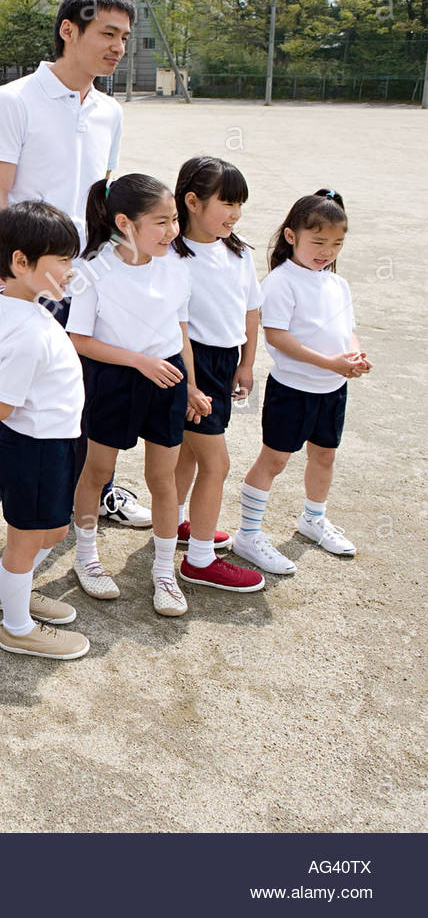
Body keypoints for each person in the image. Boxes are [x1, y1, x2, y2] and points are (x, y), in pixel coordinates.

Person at [0, 0, 150, 584]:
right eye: (107, 34)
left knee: (83, 397)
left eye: (123, 37)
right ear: (70, 30)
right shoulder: (14, 101)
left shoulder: (109, 110)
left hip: (89, 282)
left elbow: (101, 203)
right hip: (29, 283)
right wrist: (5, 289)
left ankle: (92, 493)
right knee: (1, 402)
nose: (117, 47)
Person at [67, 173, 211, 617]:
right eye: (161, 222)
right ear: (125, 223)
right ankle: (86, 557)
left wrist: (190, 384)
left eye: (174, 220)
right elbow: (79, 340)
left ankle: (165, 571)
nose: (173, 231)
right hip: (112, 382)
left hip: (167, 381)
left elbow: (181, 331)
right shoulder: (92, 270)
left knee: (162, 480)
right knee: (97, 471)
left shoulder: (176, 266)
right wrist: (137, 361)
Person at [231, 190, 370, 573]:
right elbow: (277, 337)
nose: (327, 251)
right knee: (274, 459)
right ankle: (248, 533)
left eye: (337, 244)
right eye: (319, 241)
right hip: (293, 389)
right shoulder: (280, 282)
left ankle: (313, 519)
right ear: (291, 236)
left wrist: (353, 356)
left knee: (324, 455)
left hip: (332, 388)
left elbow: (348, 330)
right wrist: (331, 362)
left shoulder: (336, 284)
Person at [0, 201, 91, 659]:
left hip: (55, 441)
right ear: (20, 263)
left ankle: (14, 590)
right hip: (35, 446)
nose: (71, 270)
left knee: (54, 531)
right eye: (62, 260)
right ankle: (17, 626)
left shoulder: (2, 300)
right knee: (28, 538)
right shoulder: (31, 334)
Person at [169, 156, 266, 592]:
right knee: (216, 462)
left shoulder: (238, 251)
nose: (234, 214)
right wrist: (190, 384)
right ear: (192, 201)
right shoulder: (172, 256)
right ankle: (200, 561)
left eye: (239, 205)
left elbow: (251, 308)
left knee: (190, 455)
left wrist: (246, 362)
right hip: (192, 363)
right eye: (226, 203)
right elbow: (179, 327)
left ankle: (175, 525)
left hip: (226, 361)